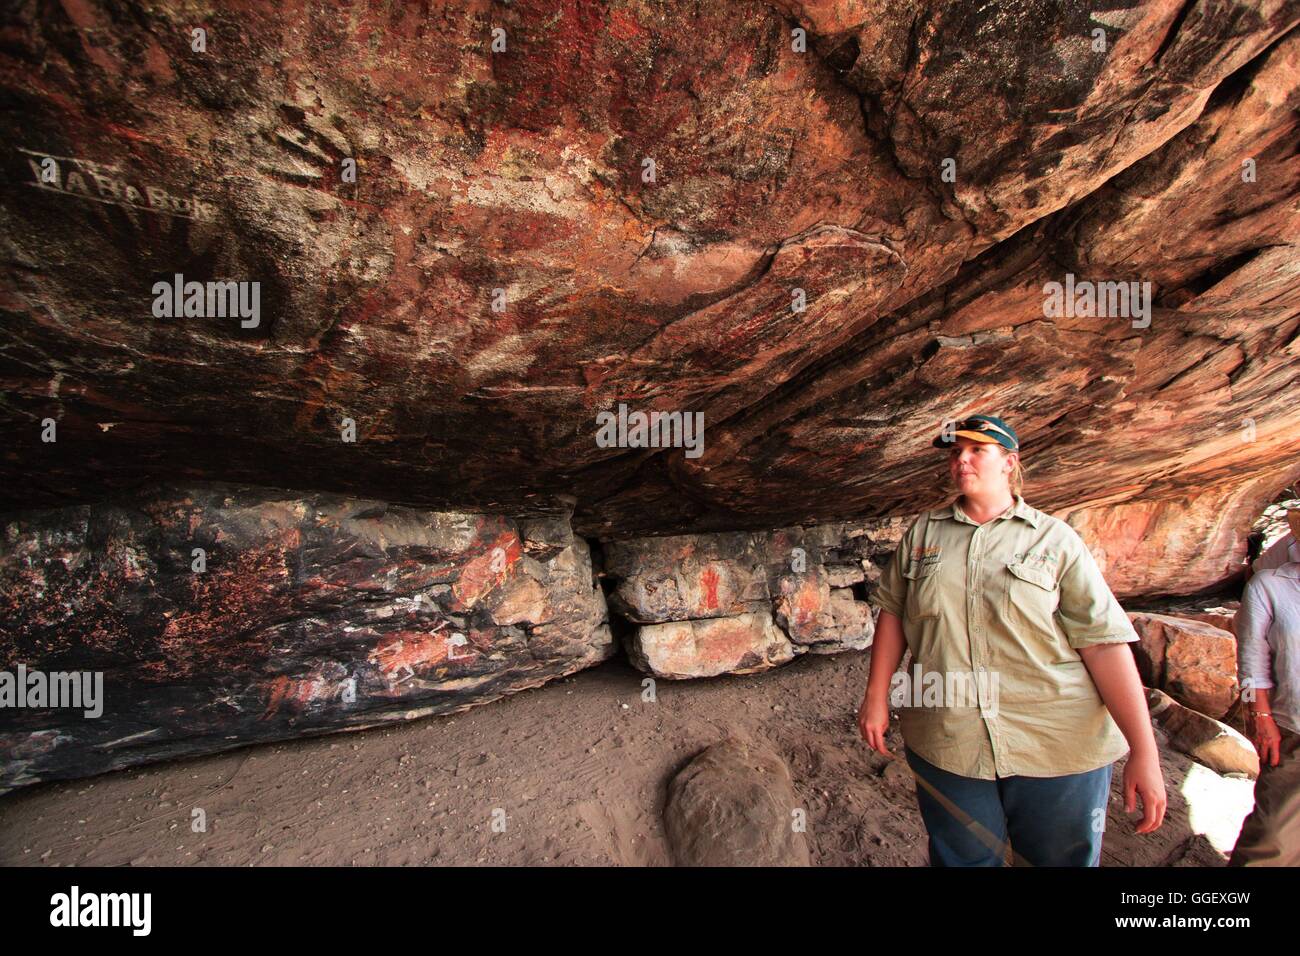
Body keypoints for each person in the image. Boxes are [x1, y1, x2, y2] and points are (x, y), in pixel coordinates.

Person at [857, 413, 1166, 866]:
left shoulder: (1055, 540)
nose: (962, 459)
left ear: (1009, 462)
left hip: (1056, 742)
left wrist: (1145, 751)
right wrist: (876, 696)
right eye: (956, 452)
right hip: (949, 737)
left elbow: (1103, 645)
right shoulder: (923, 534)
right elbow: (896, 615)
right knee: (962, 859)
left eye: (977, 450)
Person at [1230, 509, 1300, 865]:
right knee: (1271, 840)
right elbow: (1251, 660)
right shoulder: (1270, 584)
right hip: (1293, 728)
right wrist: (1260, 716)